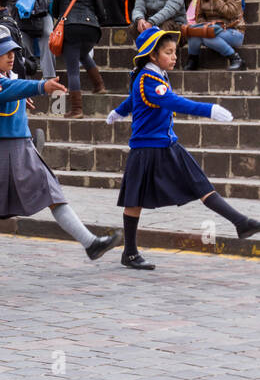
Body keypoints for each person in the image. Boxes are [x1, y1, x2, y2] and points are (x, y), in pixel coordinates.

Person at [0, 24, 120, 284]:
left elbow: (9, 95)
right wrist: (40, 87)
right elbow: (7, 91)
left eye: (11, 50)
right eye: (3, 52)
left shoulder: (7, 77)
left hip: (22, 147)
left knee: (53, 194)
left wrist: (22, 97)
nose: (10, 56)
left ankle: (90, 242)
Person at [106, 27, 260, 270]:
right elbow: (172, 101)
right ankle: (130, 252)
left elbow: (131, 100)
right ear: (153, 55)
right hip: (147, 149)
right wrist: (208, 110)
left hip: (166, 144)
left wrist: (119, 111)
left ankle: (241, 222)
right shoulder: (148, 80)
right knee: (134, 202)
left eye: (174, 52)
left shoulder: (152, 76)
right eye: (168, 53)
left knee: (201, 185)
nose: (174, 57)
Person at [181, 0, 246, 71]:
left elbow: (232, 12)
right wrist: (205, 25)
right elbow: (200, 16)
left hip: (232, 30)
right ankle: (193, 60)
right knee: (194, 32)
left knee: (207, 36)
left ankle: (236, 59)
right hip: (211, 28)